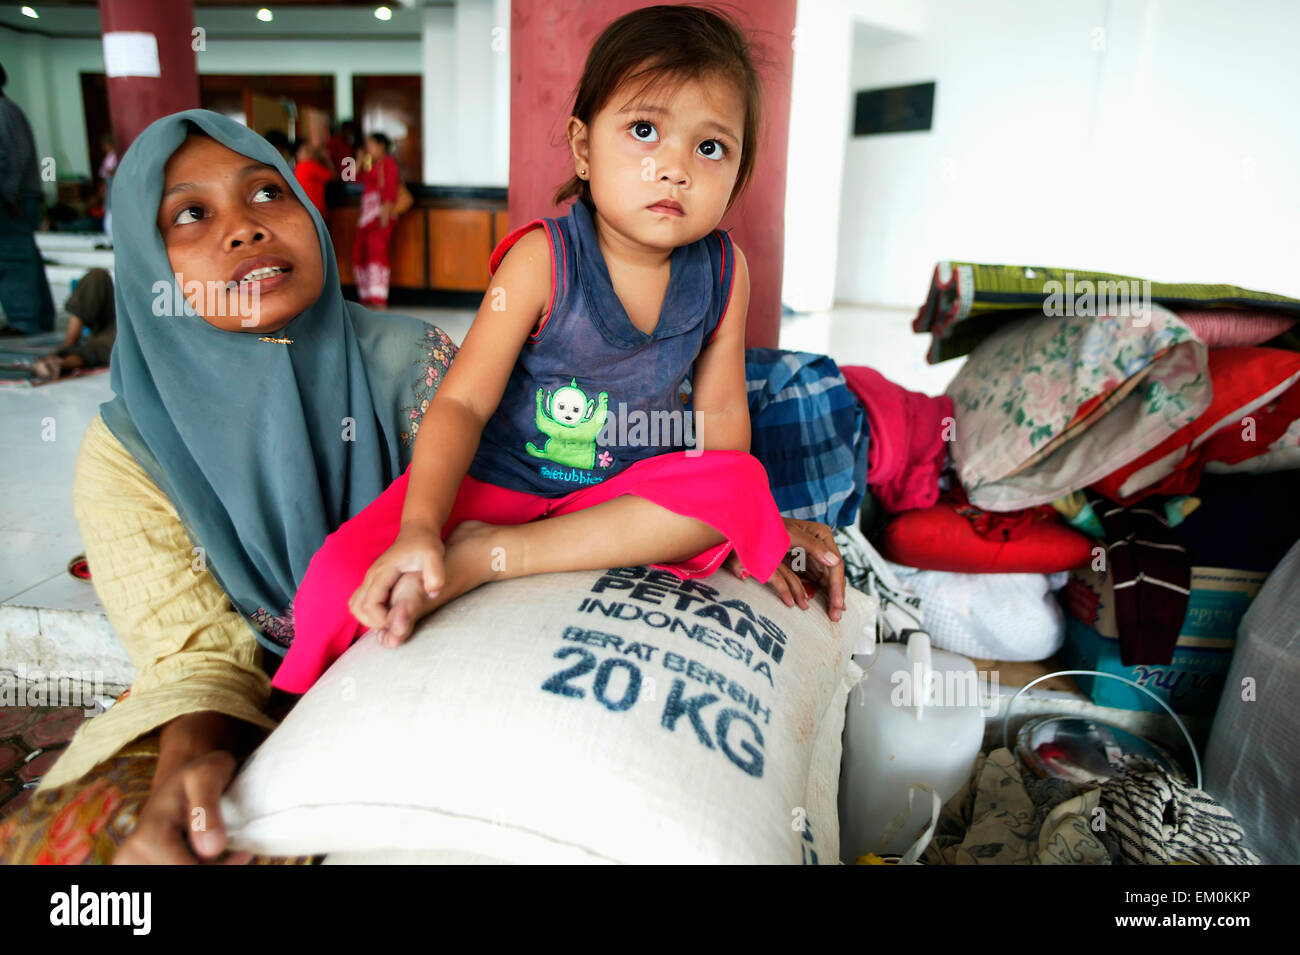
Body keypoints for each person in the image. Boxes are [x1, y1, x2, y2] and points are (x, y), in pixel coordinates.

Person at [273, 4, 848, 694]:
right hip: (498, 485)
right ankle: (306, 689)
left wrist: (751, 531)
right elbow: (459, 401)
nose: (674, 169)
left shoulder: (726, 271)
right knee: (334, 580)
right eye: (644, 131)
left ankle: (488, 559)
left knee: (741, 485)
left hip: (617, 495)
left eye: (710, 147)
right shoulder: (544, 260)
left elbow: (722, 418)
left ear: (738, 171)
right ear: (582, 147)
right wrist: (423, 523)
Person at [0, 109, 461, 864]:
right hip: (234, 706)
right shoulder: (131, 449)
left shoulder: (415, 367)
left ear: (311, 215)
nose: (245, 228)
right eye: (191, 214)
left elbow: (478, 549)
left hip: (423, 676)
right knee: (89, 849)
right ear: (151, 268)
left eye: (268, 195)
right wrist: (190, 761)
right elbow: (194, 657)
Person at [0, 60, 56, 335]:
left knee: (12, 259)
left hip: (13, 199)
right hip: (17, 197)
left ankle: (24, 321)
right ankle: (38, 318)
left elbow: (12, 158)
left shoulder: (3, 113)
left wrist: (8, 195)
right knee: (24, 258)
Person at [31, 267, 116, 381]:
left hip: (129, 331)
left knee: (117, 343)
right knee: (97, 276)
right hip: (119, 316)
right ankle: (69, 343)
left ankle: (60, 363)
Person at [351, 131, 401, 308]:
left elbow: (390, 191)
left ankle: (378, 298)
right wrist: (359, 158)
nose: (369, 148)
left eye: (371, 145)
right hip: (367, 216)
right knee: (360, 253)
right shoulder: (371, 162)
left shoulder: (388, 163)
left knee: (377, 254)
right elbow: (350, 177)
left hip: (381, 216)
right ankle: (366, 295)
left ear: (381, 146)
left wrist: (385, 217)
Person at [292, 141, 332, 217]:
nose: (311, 152)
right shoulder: (309, 165)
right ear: (298, 153)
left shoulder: (298, 168)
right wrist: (327, 158)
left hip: (306, 209)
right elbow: (331, 176)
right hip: (316, 210)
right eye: (307, 150)